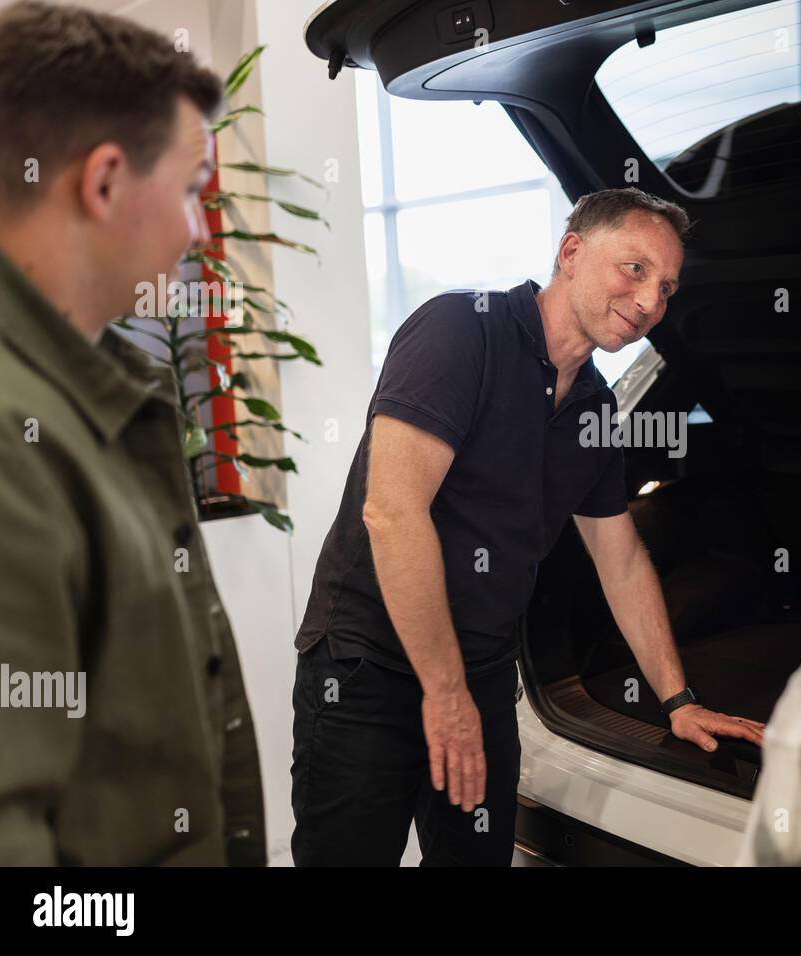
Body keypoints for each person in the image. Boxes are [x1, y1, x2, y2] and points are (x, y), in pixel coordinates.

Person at [292, 187, 765, 866]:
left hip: (481, 670)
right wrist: (444, 694)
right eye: (634, 269)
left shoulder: (597, 408)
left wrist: (678, 700)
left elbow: (621, 559)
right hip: (369, 667)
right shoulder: (462, 331)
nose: (648, 303)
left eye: (665, 288)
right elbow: (392, 514)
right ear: (572, 252)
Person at [0, 1, 265, 864]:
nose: (193, 229)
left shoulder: (80, 395)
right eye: (188, 190)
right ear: (103, 181)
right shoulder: (2, 435)